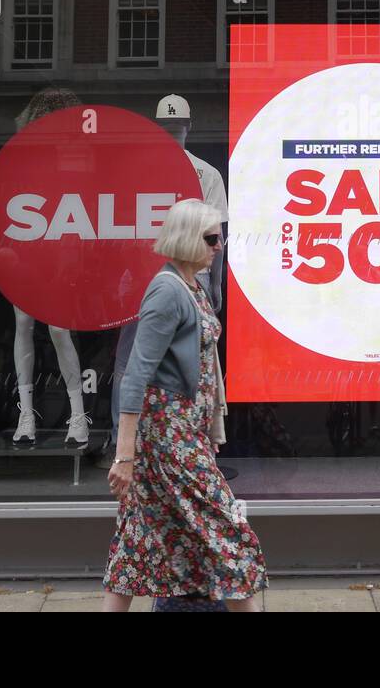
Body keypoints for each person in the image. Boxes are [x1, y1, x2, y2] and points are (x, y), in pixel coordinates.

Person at [102, 199, 267, 612]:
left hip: (182, 430)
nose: (219, 245)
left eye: (220, 237)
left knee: (138, 534)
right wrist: (125, 455)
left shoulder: (192, 285)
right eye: (212, 238)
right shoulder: (166, 290)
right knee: (225, 528)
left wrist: (207, 428)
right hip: (167, 434)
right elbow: (136, 374)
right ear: (189, 238)